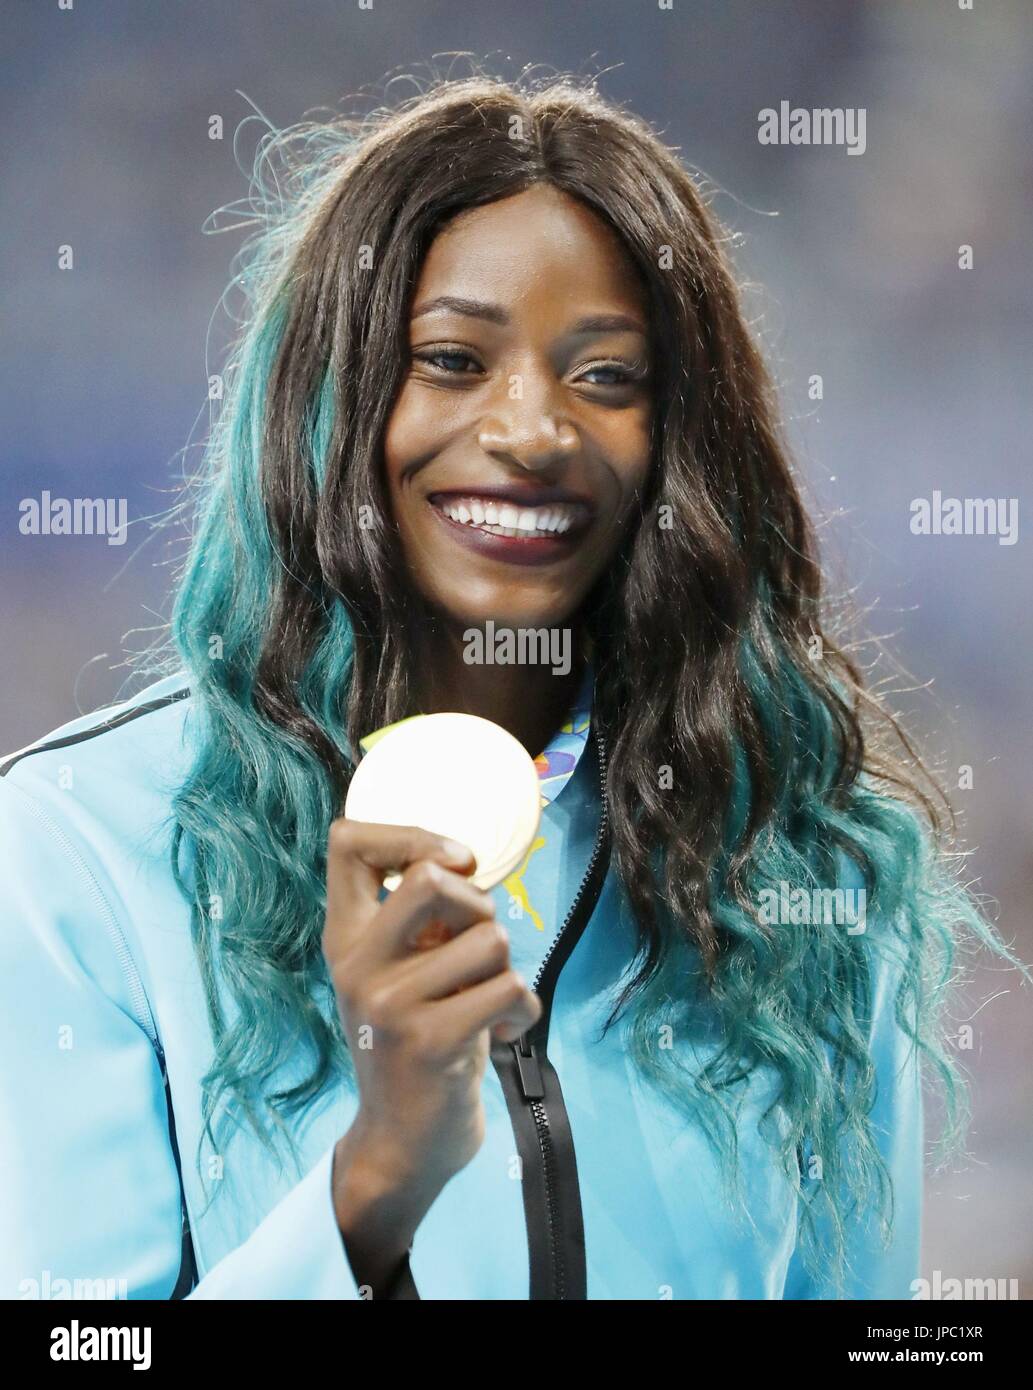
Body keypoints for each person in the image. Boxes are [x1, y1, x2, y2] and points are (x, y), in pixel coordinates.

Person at [0, 74, 1016, 1301]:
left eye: (607, 376)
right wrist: (372, 1182)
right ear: (324, 402)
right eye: (449, 358)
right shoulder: (78, 853)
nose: (531, 428)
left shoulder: (807, 863)